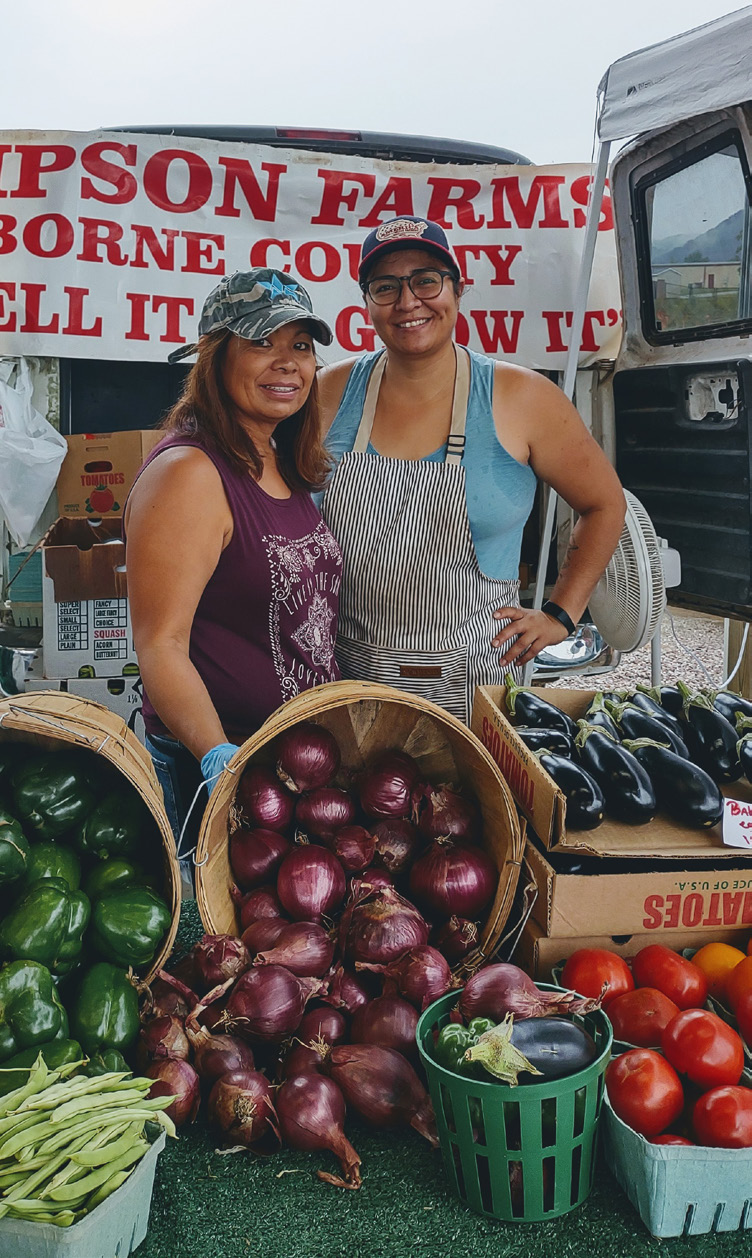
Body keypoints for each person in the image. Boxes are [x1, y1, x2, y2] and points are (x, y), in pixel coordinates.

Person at [317, 215, 626, 724]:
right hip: (347, 672)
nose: (408, 302)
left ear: (459, 290)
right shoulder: (329, 391)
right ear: (366, 302)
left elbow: (604, 504)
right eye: (385, 286)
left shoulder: (523, 397)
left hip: (478, 678)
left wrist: (560, 614)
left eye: (426, 280)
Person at [125, 269, 342, 853]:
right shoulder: (190, 473)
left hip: (293, 765)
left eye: (301, 345)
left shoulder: (280, 459)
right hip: (221, 769)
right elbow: (160, 644)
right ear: (214, 357)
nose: (288, 362)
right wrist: (217, 757)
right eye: (262, 342)